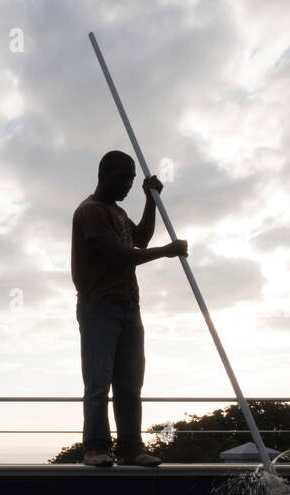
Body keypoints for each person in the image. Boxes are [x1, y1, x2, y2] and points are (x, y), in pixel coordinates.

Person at [71, 151, 187, 467]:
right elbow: (119, 255)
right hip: (99, 306)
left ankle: (131, 449)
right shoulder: (91, 211)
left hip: (129, 306)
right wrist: (168, 252)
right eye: (122, 177)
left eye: (132, 179)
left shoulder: (118, 213)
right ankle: (95, 448)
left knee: (130, 381)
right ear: (103, 174)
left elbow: (141, 240)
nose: (127, 184)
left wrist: (151, 199)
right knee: (99, 381)